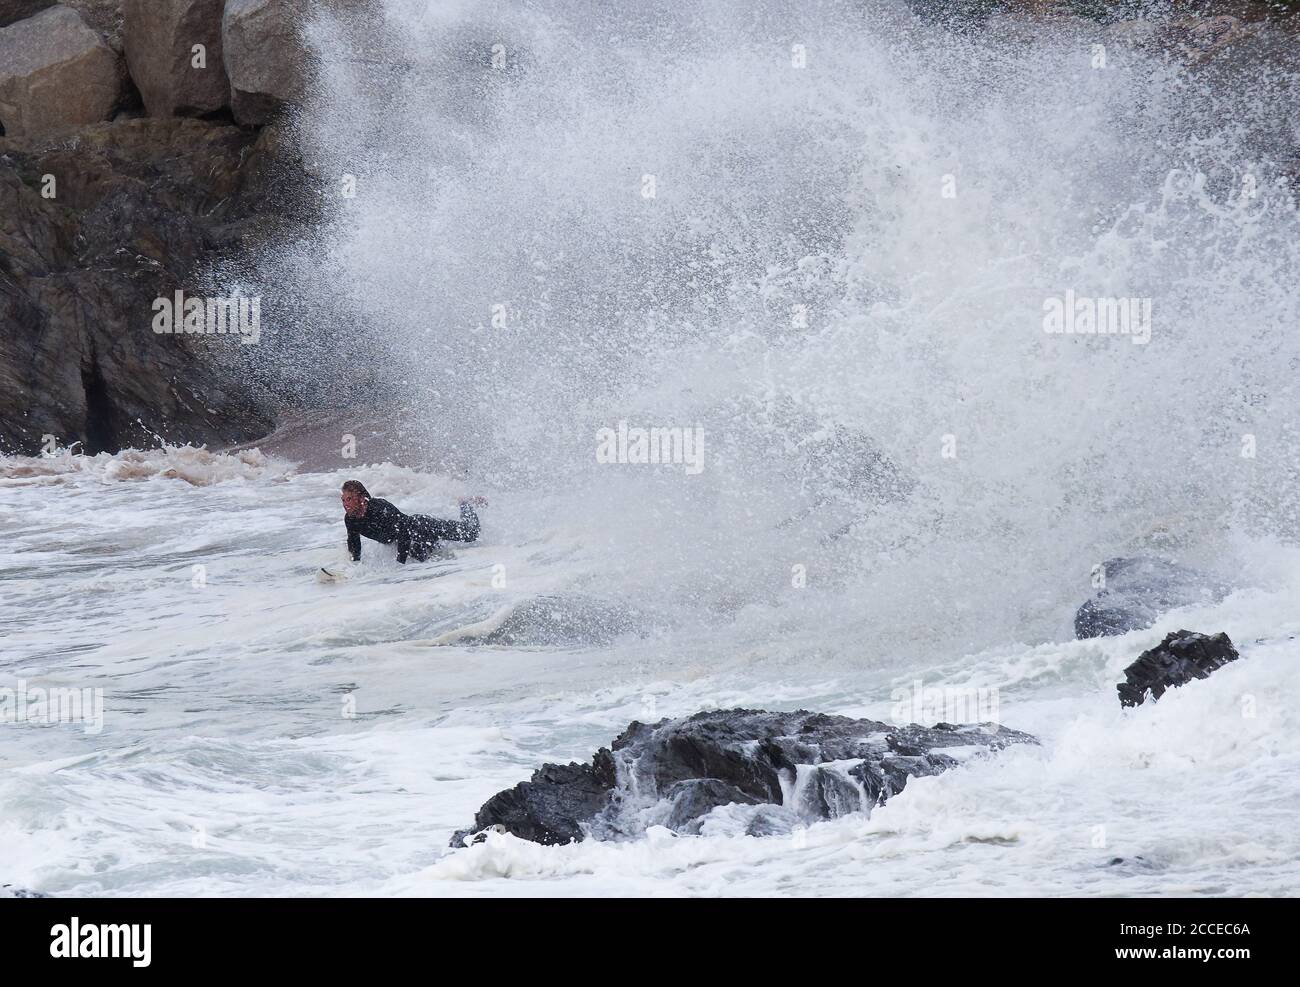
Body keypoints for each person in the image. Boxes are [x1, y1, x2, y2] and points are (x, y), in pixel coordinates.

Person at [340, 480, 484, 563]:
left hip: (422, 527)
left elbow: (404, 533)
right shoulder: (351, 520)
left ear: (361, 498)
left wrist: (399, 564)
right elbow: (354, 546)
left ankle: (464, 503)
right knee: (425, 560)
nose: (345, 504)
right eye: (343, 500)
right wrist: (354, 567)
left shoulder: (379, 508)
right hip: (412, 541)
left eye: (349, 499)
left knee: (471, 534)